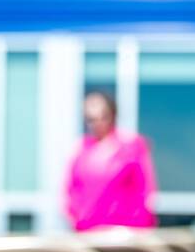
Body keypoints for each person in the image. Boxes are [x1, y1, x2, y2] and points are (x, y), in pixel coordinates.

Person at [64, 91, 156, 231]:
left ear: (112, 115)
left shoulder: (131, 146)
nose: (98, 123)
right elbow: (71, 191)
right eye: (91, 119)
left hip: (125, 232)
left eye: (103, 117)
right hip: (89, 231)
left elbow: (145, 189)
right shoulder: (81, 151)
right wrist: (76, 218)